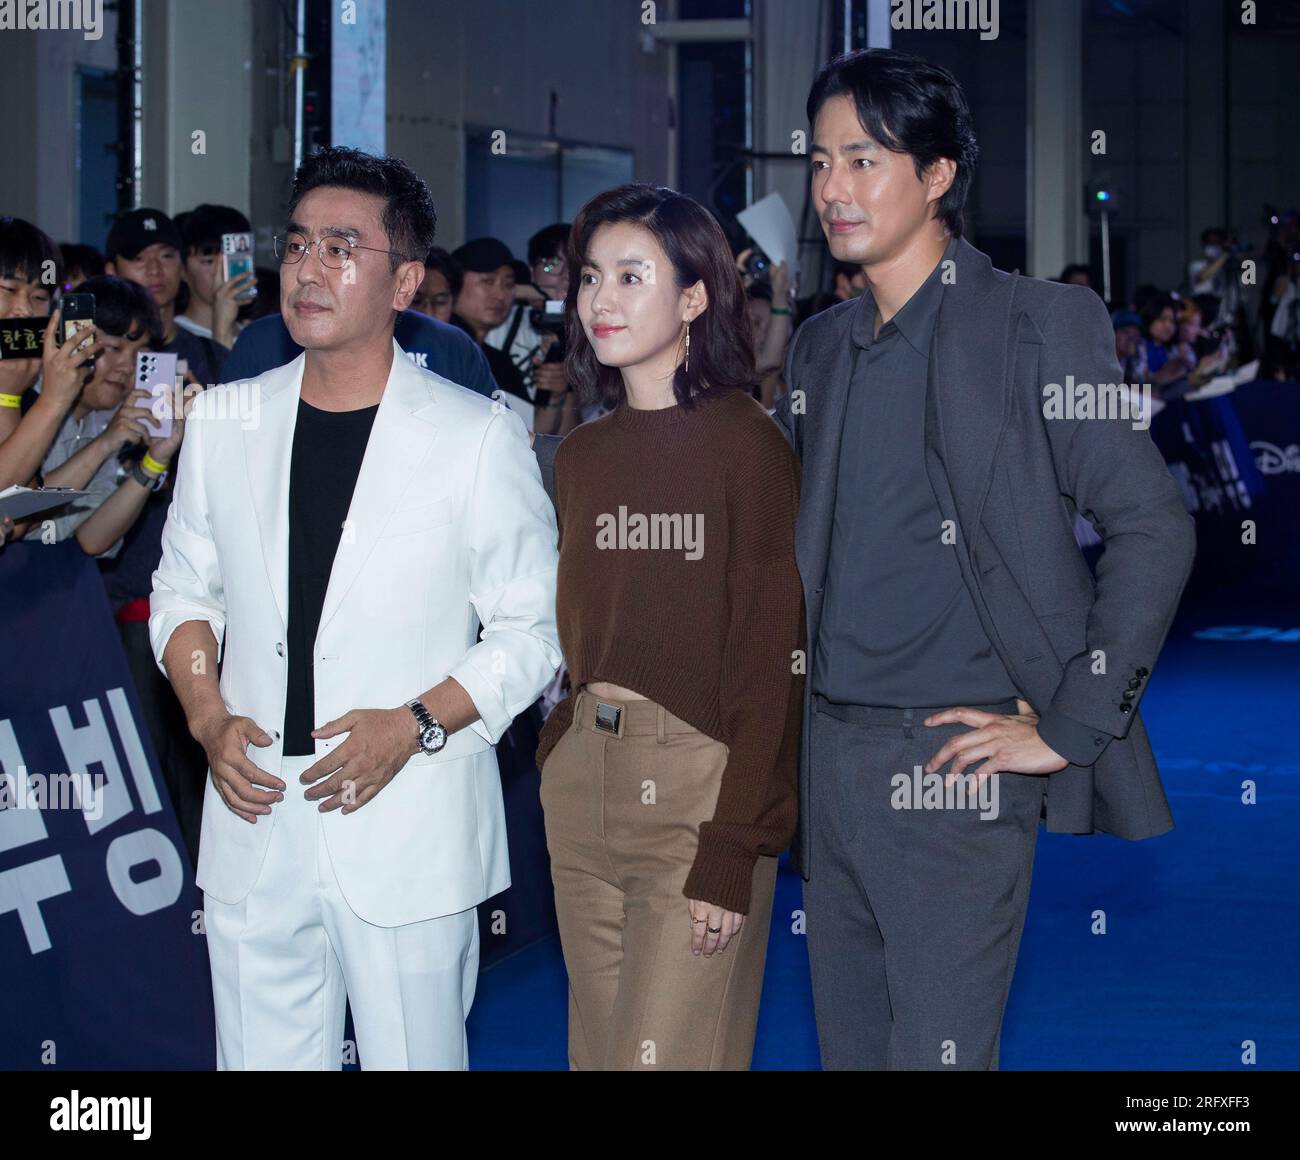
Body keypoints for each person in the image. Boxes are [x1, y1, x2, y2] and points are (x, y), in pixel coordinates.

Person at [776, 47, 1196, 1071]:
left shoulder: (1037, 324)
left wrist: (1071, 723)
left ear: (937, 176)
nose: (834, 187)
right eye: (822, 161)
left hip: (952, 767)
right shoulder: (819, 348)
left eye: (864, 159)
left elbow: (1153, 524)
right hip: (826, 760)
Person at [149, 145, 561, 1071]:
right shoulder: (224, 423)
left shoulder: (476, 436)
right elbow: (184, 590)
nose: (307, 269)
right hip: (253, 812)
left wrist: (415, 723)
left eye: (342, 247)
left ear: (405, 280)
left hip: (408, 821)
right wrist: (207, 717)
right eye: (297, 245)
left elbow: (535, 633)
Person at [533, 183, 804, 1070]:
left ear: (693, 298)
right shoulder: (581, 456)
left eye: (631, 276)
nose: (601, 300)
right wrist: (562, 749)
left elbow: (773, 662)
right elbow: (582, 632)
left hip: (697, 791)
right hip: (584, 790)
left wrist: (736, 841)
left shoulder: (748, 446)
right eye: (589, 278)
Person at [15, 275, 164, 558]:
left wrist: (155, 461)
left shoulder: (101, 422)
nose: (126, 367)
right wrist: (105, 444)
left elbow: (93, 541)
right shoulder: (24, 402)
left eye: (140, 357)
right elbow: (20, 509)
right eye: (114, 349)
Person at [105, 208, 214, 387]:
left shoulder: (211, 357)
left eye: (166, 256)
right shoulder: (100, 361)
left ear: (182, 266)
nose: (154, 269)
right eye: (139, 258)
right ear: (112, 271)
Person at [175, 203, 259, 368]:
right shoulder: (175, 338)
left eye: (231, 261)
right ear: (182, 270)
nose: (222, 272)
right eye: (209, 261)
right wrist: (222, 329)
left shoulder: (259, 334)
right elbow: (223, 391)